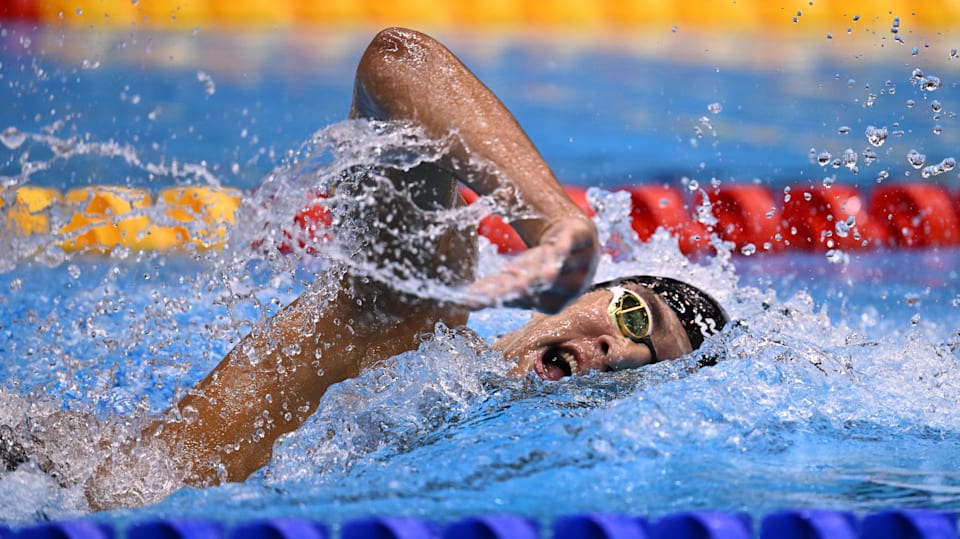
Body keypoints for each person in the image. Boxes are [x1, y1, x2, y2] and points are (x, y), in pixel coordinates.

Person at [3, 27, 727, 510]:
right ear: (583, 296)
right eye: (635, 317)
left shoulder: (500, 475)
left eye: (643, 362)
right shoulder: (414, 316)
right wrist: (558, 219)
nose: (620, 349)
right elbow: (396, 61)